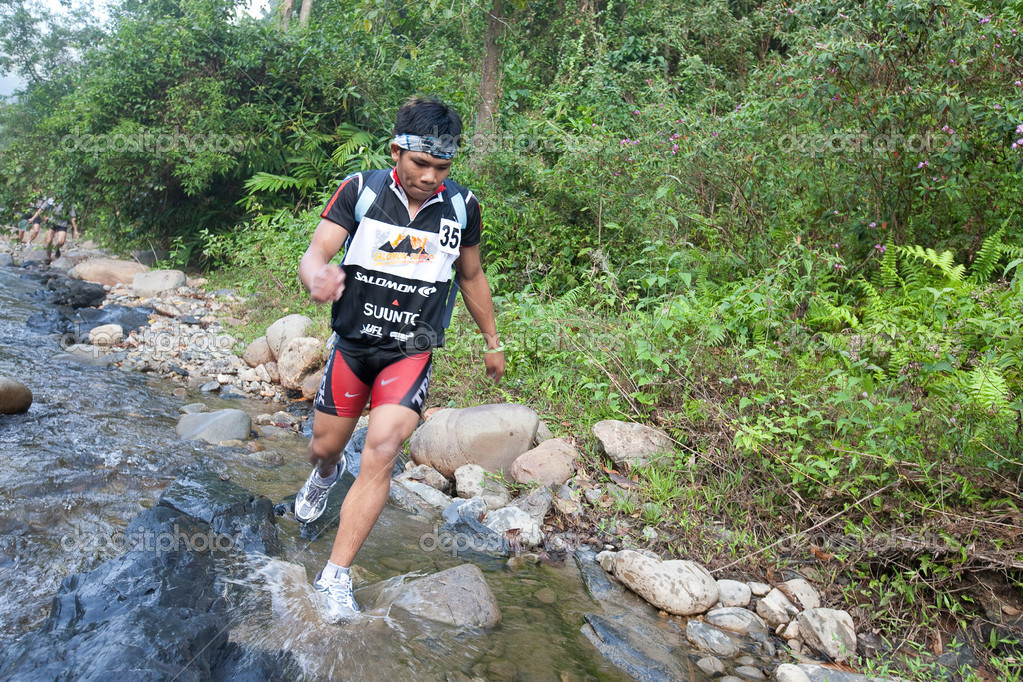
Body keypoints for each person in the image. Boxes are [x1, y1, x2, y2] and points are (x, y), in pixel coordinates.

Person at [294, 97, 505, 622]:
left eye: (442, 167)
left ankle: (335, 575)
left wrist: (493, 340)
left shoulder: (461, 207)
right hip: (353, 348)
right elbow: (317, 252)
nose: (431, 177)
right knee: (324, 448)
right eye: (421, 165)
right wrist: (318, 276)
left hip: (410, 352)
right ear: (397, 151)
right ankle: (324, 476)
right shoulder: (361, 191)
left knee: (385, 445)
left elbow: (471, 276)